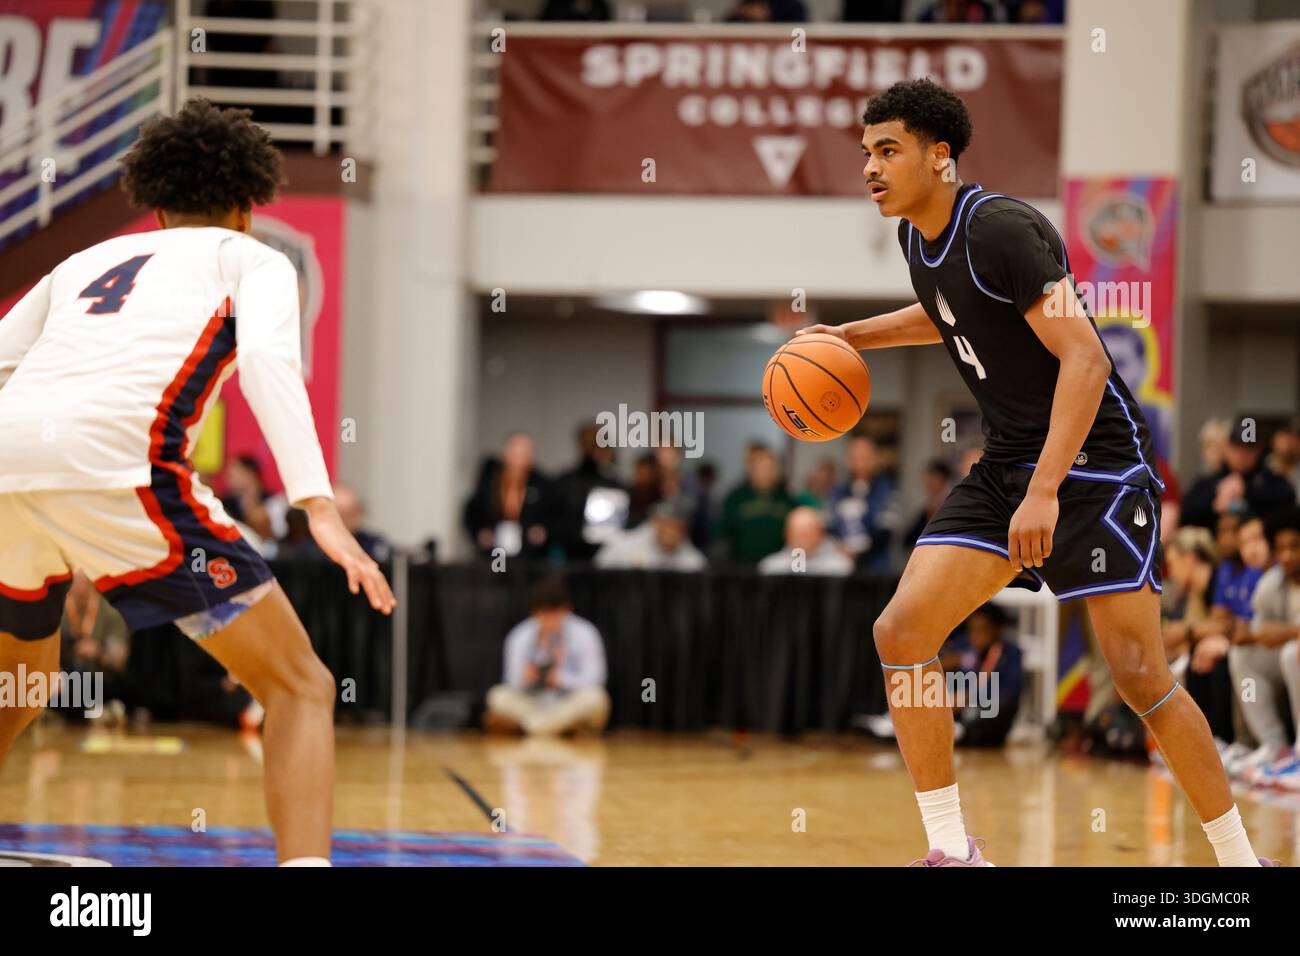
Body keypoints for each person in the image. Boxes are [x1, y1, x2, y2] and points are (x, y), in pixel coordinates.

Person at [796, 79, 1270, 866]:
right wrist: (850, 336)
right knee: (901, 631)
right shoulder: (921, 238)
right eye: (866, 154)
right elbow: (949, 314)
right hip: (1008, 463)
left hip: (1098, 471)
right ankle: (954, 850)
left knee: (1141, 679)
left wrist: (1047, 490)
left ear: (939, 156)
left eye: (888, 151)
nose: (871, 169)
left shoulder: (1003, 230)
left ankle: (1240, 862)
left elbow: (1085, 358)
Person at [0, 99, 395, 866]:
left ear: (154, 204)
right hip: (118, 465)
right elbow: (271, 367)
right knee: (302, 686)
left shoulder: (83, 262)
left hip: (6, 460)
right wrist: (318, 504)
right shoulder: (252, 259)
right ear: (248, 206)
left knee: (20, 679)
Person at [484, 577, 611, 736]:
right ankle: (558, 728)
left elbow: (596, 679)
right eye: (543, 614)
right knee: (497, 696)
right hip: (533, 703)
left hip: (569, 702)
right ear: (534, 612)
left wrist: (561, 679)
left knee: (596, 698)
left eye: (554, 614)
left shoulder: (585, 633)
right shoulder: (520, 635)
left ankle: (535, 728)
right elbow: (511, 681)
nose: (548, 621)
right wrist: (526, 678)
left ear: (566, 609)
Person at [1230, 506, 1300, 790]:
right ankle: (1275, 748)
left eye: (1294, 547)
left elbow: (1285, 636)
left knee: (1291, 652)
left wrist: (1289, 632)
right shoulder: (1272, 584)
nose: (1286, 556)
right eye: (1280, 548)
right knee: (1242, 656)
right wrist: (1249, 635)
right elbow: (1252, 633)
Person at [1181, 425, 1296, 531]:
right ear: (1227, 447)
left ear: (1258, 450)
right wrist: (1215, 497)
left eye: (1249, 448)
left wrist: (1247, 490)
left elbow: (1288, 504)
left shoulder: (1271, 481)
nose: (1242, 454)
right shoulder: (1210, 481)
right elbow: (1186, 513)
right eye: (1237, 447)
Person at [463, 432, 555, 559]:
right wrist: (480, 532)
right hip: (494, 551)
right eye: (514, 453)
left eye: (522, 454)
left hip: (529, 554)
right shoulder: (490, 482)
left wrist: (543, 531)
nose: (517, 460)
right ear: (505, 453)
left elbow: (554, 514)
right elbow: (472, 512)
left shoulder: (542, 484)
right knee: (497, 571)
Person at [943, 604, 1022, 748]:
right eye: (973, 630)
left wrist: (968, 696)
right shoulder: (962, 648)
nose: (976, 636)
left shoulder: (1010, 654)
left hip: (987, 717)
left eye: (983, 630)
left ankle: (962, 730)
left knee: (995, 706)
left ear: (997, 630)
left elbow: (1010, 693)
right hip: (956, 711)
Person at [714, 445, 800, 564]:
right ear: (751, 469)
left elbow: (796, 535)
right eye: (760, 467)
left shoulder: (788, 499)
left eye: (770, 467)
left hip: (779, 565)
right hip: (742, 566)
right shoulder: (736, 498)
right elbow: (722, 533)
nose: (765, 472)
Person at [826, 435, 899, 571]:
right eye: (855, 457)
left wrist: (857, 549)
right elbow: (830, 525)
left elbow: (886, 531)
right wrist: (840, 546)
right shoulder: (838, 490)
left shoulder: (887, 490)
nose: (860, 462)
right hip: (840, 566)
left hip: (876, 568)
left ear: (875, 459)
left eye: (865, 457)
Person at [594, 500, 707, 572]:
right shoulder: (621, 547)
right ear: (655, 523)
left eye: (678, 528)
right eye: (667, 525)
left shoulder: (693, 561)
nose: (672, 533)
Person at [758, 506, 853, 576]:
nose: (803, 540)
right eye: (798, 534)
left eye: (808, 534)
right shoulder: (770, 569)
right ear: (787, 535)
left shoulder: (840, 568)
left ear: (820, 535)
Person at [903, 459, 954, 548]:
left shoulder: (950, 506)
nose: (927, 482)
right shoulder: (928, 507)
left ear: (942, 479)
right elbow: (909, 538)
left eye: (932, 477)